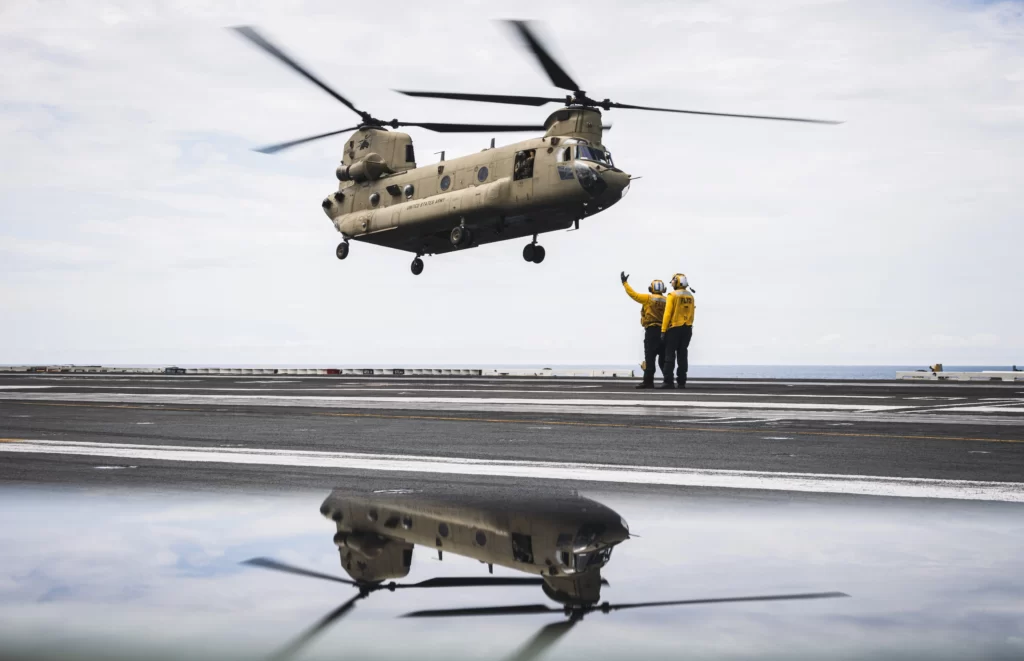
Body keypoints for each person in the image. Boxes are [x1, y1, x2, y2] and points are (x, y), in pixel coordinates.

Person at [621, 271, 667, 389]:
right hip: (664, 331)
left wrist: (625, 283)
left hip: (651, 331)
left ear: (651, 289)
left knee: (650, 357)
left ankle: (648, 382)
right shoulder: (668, 300)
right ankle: (668, 380)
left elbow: (634, 295)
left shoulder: (648, 298)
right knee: (664, 358)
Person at [660, 273, 696, 389]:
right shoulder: (690, 296)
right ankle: (681, 381)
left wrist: (663, 330)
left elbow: (667, 314)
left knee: (669, 355)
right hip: (687, 328)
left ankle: (668, 381)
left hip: (674, 328)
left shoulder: (672, 295)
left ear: (676, 282)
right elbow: (692, 313)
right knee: (682, 354)